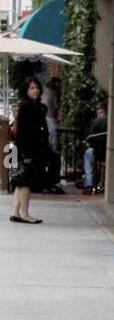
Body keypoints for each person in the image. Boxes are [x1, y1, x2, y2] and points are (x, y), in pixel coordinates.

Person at [9, 76, 48, 224]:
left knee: (20, 180)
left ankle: (15, 212)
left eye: (37, 88)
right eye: (32, 88)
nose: (35, 91)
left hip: (25, 149)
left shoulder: (35, 106)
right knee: (25, 182)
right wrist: (26, 152)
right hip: (27, 150)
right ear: (26, 90)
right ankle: (24, 214)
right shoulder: (26, 106)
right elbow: (24, 132)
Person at [41, 75, 64, 193]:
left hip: (45, 119)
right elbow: (57, 106)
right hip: (51, 118)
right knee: (53, 146)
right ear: (56, 83)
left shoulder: (45, 91)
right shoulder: (54, 92)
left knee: (48, 141)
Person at [82, 100, 107, 194]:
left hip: (98, 151)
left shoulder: (97, 122)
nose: (99, 115)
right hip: (104, 152)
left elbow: (89, 139)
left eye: (100, 112)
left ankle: (89, 183)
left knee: (88, 153)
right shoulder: (113, 122)